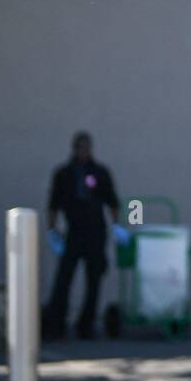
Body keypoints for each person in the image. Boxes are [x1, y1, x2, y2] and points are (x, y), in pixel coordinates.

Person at [44, 131, 119, 340]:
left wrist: (116, 226)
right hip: (73, 232)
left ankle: (85, 326)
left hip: (96, 232)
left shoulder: (100, 172)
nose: (83, 152)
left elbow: (112, 201)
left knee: (94, 280)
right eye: (79, 148)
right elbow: (53, 204)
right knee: (64, 279)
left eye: (86, 148)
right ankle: (56, 323)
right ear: (74, 149)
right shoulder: (64, 174)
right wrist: (52, 231)